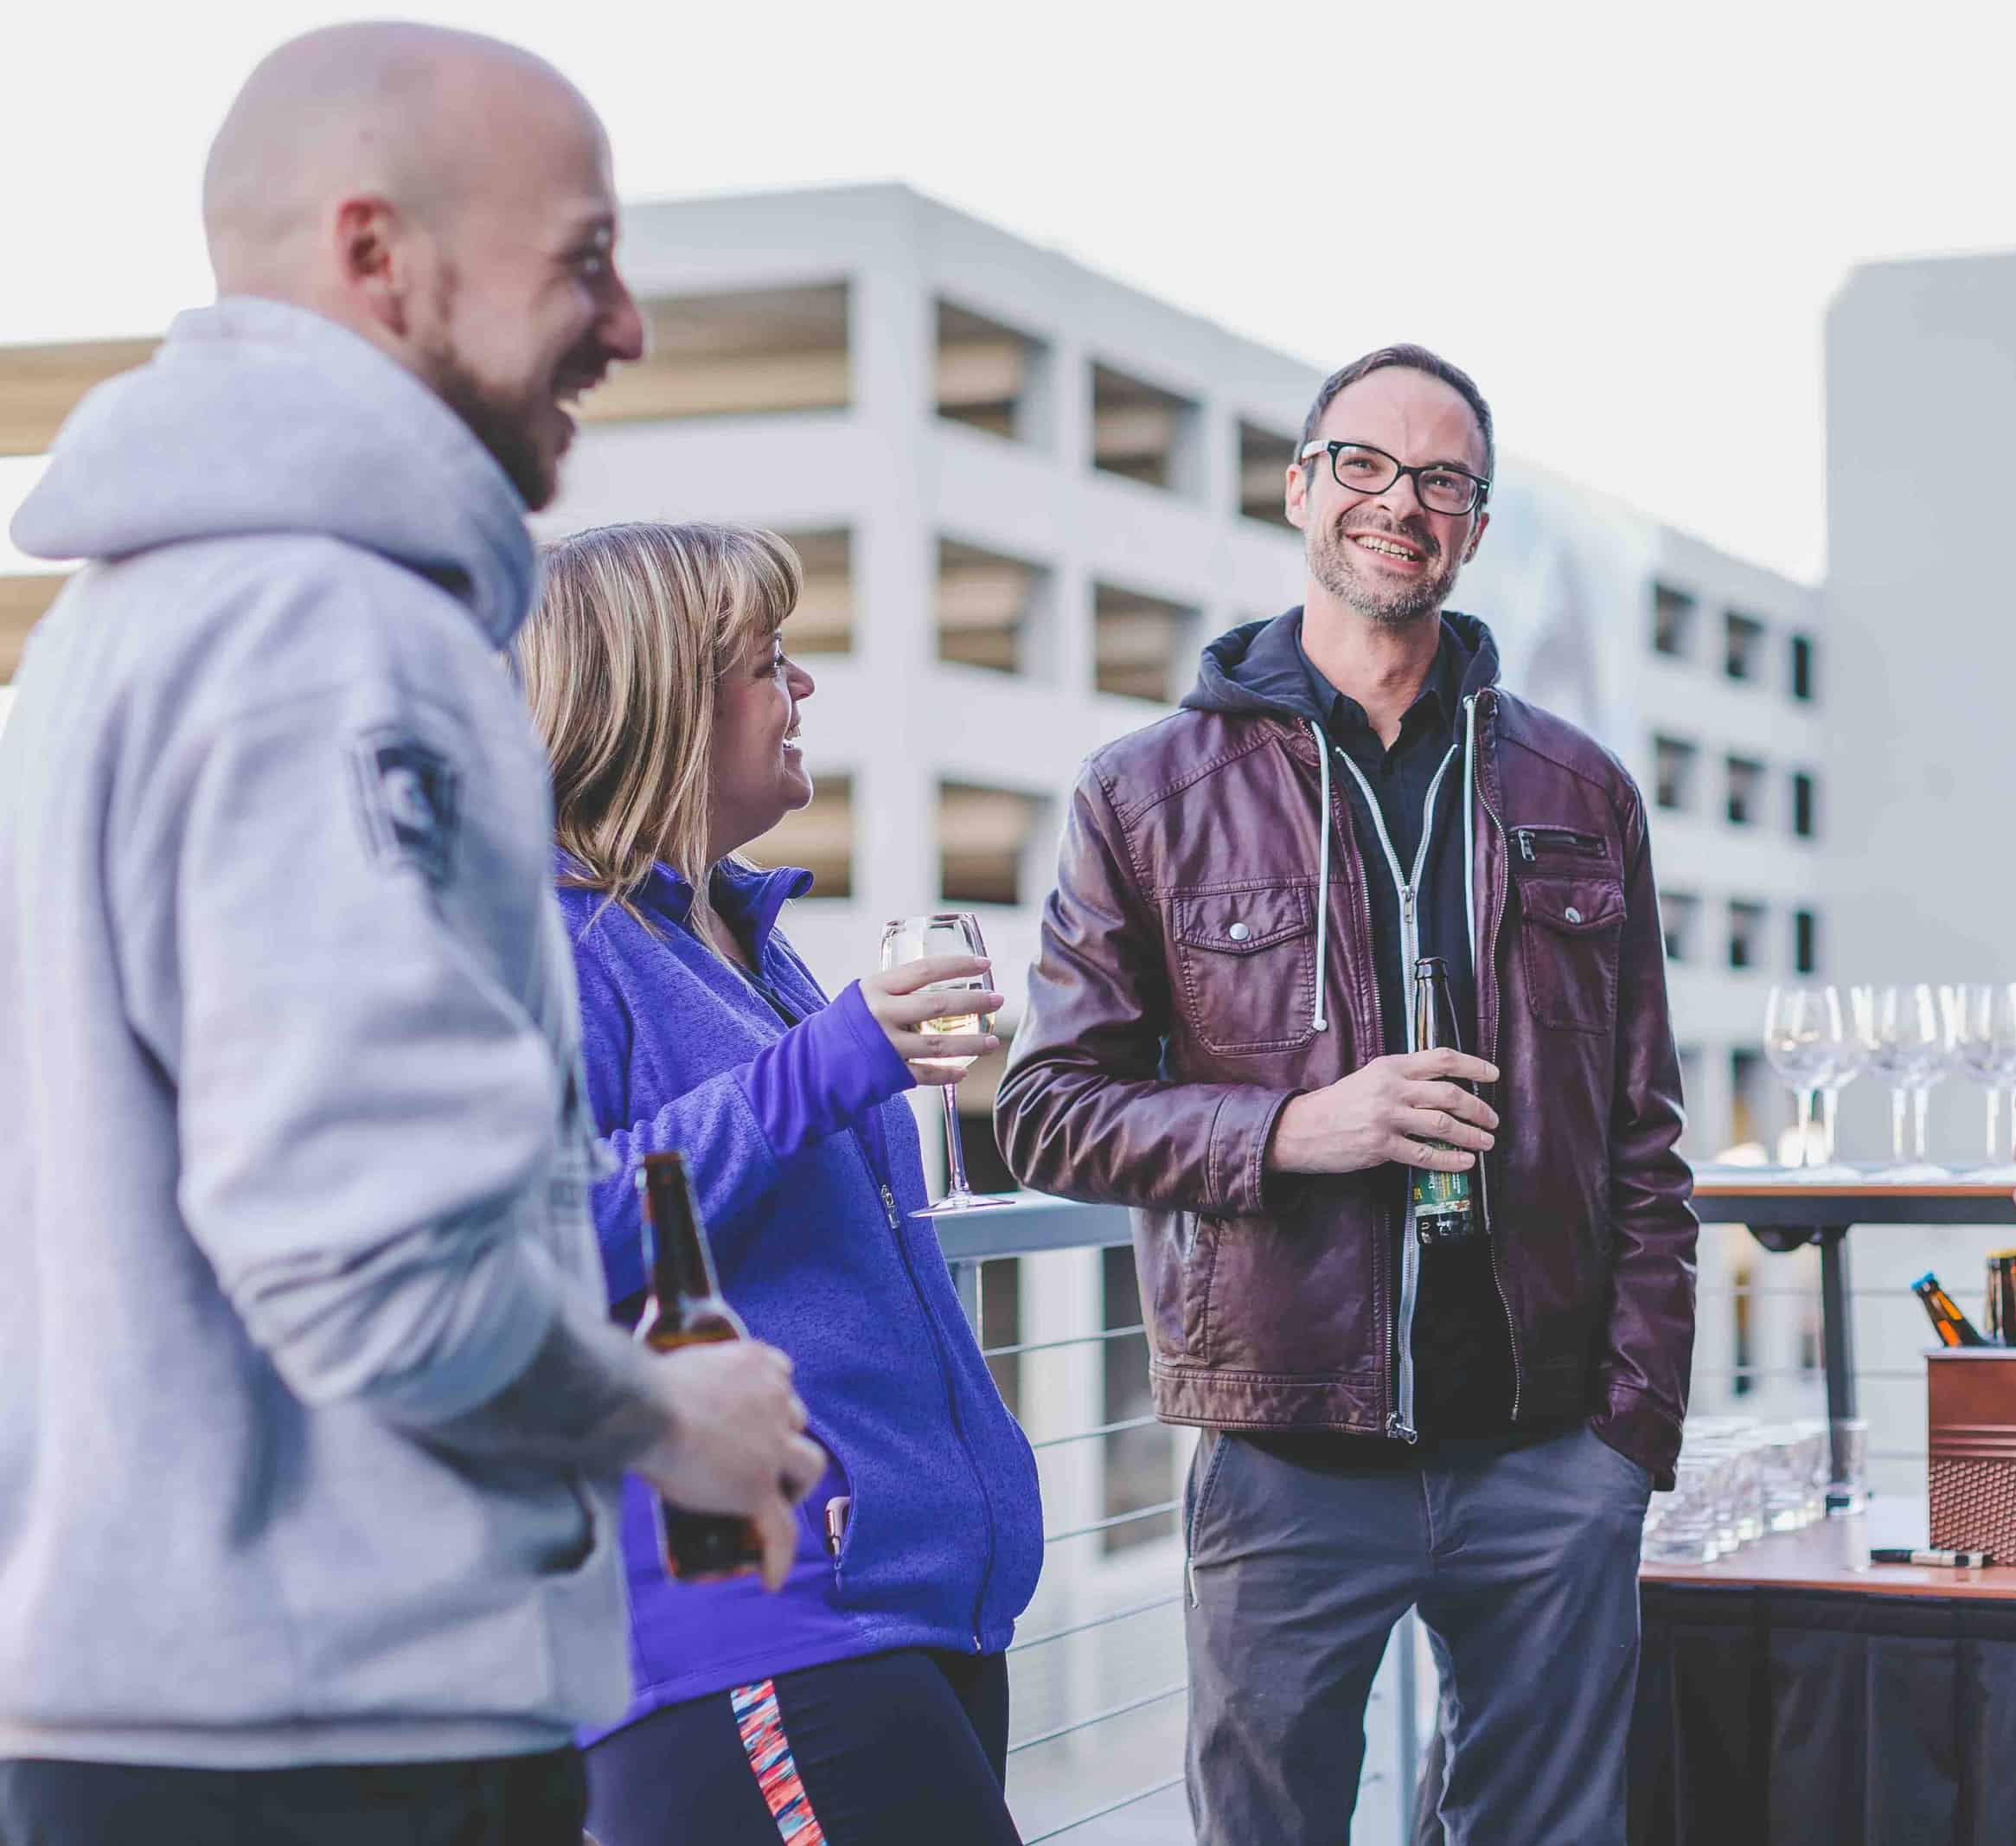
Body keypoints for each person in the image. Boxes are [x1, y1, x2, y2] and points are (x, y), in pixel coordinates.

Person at [0, 26, 822, 1845]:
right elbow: (374, 1266)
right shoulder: (333, 643)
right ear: (378, 253)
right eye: (585, 259)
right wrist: (668, 1416)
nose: (628, 330)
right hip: (335, 1735)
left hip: (177, 1706)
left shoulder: (124, 633)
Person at [995, 343, 1697, 1843]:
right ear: (1304, 488)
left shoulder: (1580, 794)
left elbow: (1648, 1132)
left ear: (1476, 525)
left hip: (1548, 1450)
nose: (1404, 502)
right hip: (1287, 1457)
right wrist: (1293, 1130)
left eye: (1443, 479)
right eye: (1367, 465)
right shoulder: (1146, 793)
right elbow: (1048, 1103)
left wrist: (1630, 1433)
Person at [519, 522, 1043, 1846]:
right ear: (661, 703)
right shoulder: (555, 936)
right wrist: (830, 1063)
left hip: (908, 1610)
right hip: (752, 1628)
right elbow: (553, 1229)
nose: (802, 689)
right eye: (768, 663)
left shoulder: (745, 938)